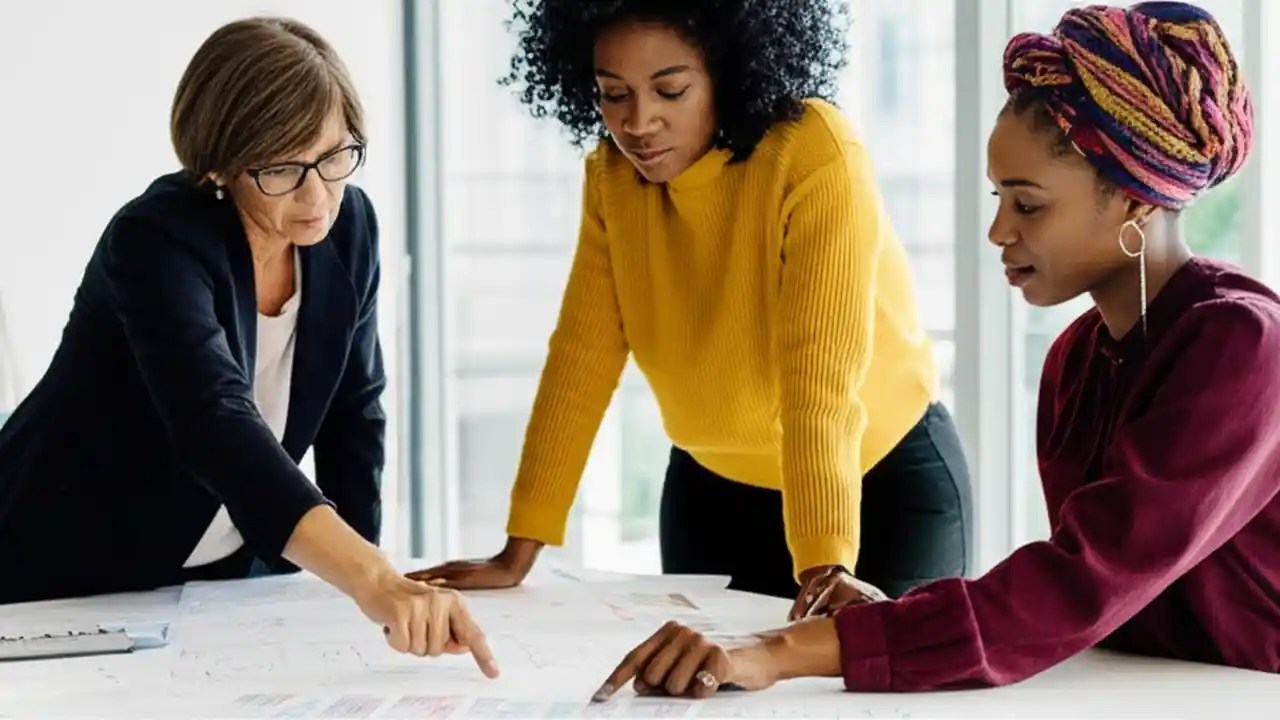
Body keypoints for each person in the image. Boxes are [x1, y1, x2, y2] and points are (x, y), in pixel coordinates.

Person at [591, 2, 1280, 701]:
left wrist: (779, 651)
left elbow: (1079, 582)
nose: (998, 231)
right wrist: (889, 621)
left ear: (1136, 203)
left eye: (1029, 204)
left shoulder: (1242, 348)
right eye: (997, 198)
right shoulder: (1076, 360)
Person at [413, 0, 973, 619]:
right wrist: (519, 549)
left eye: (670, 90)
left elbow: (818, 380)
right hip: (711, 490)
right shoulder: (611, 179)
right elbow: (582, 356)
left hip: (877, 487)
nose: (638, 122)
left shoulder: (814, 151)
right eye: (613, 94)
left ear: (728, 73)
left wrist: (823, 564)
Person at [0, 17, 497, 676]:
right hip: (62, 570)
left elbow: (357, 414)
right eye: (284, 169)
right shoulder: (155, 240)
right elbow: (216, 423)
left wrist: (365, 585)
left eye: (335, 155)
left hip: (222, 583)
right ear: (221, 164)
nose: (318, 195)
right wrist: (371, 579)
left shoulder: (350, 228)